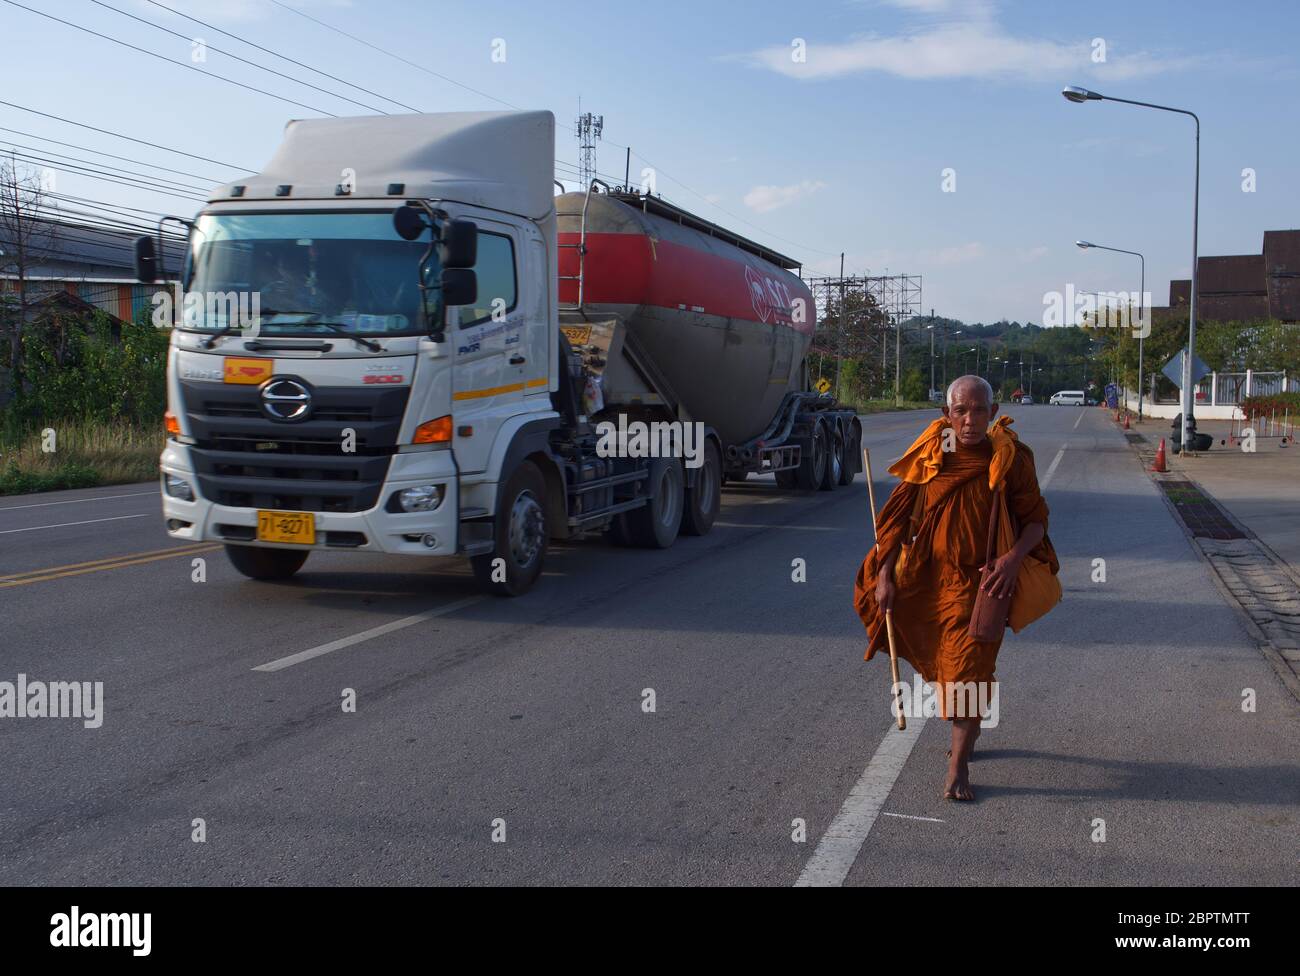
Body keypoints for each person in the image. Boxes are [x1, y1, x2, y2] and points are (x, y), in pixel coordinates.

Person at [852, 375, 1059, 801]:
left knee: (970, 669)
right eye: (960, 411)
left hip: (984, 583)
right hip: (929, 582)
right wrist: (886, 575)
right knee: (952, 669)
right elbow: (892, 524)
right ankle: (969, 731)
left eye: (978, 409)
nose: (969, 420)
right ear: (946, 415)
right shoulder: (932, 454)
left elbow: (1036, 521)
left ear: (993, 410)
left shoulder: (1010, 458)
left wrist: (1011, 558)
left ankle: (958, 764)